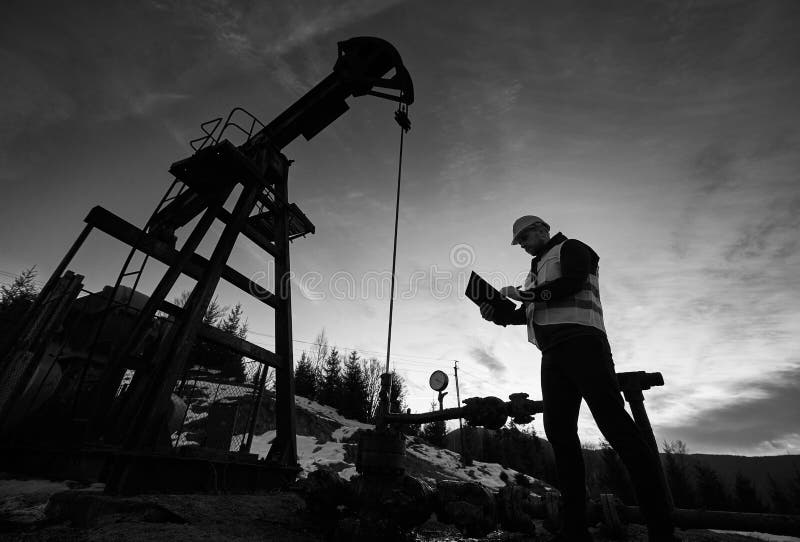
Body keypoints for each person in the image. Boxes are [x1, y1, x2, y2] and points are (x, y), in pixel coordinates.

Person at [479, 215, 675, 542]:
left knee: (617, 427)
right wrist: (495, 313)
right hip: (552, 355)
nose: (523, 245)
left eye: (525, 237)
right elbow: (525, 313)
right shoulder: (534, 271)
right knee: (560, 434)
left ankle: (661, 529)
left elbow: (570, 283)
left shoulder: (572, 248)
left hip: (585, 344)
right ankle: (574, 529)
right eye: (520, 242)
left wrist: (526, 296)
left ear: (542, 229)